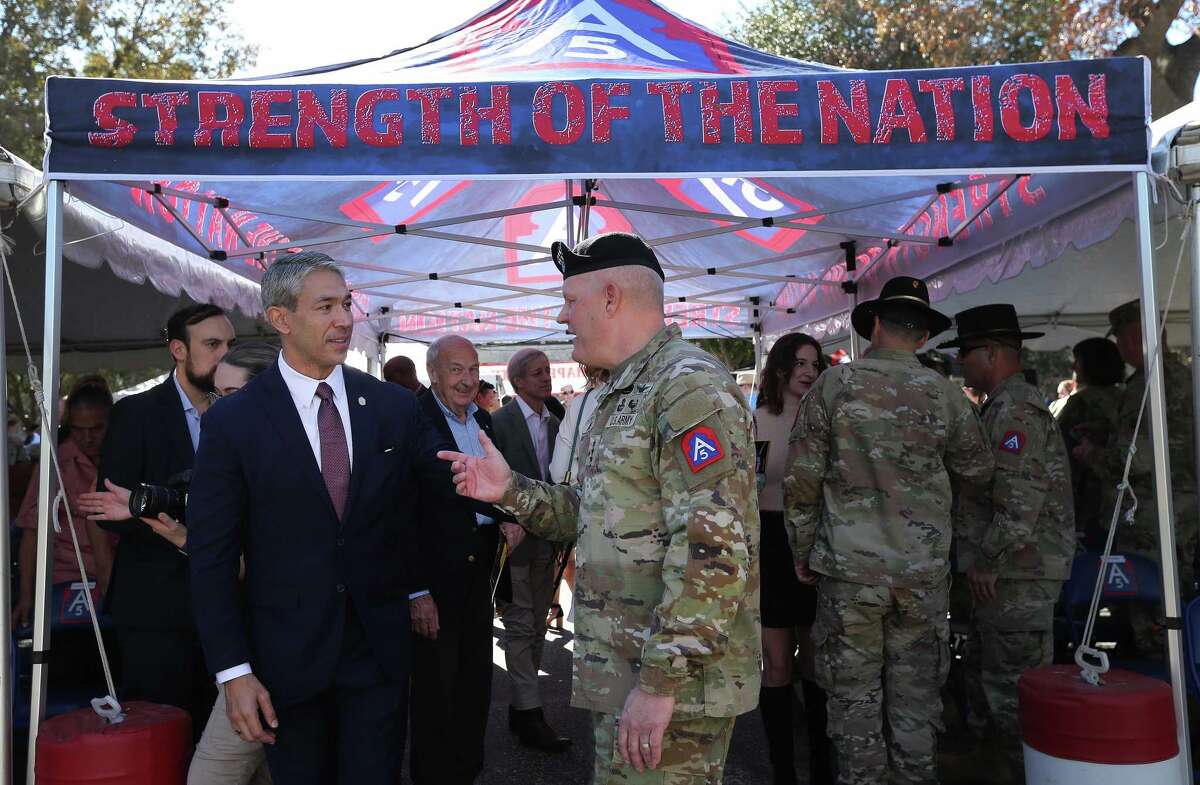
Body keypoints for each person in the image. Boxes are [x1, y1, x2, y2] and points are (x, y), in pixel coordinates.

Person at [440, 231, 760, 784]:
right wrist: (509, 489)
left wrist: (661, 684)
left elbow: (713, 552)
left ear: (611, 298)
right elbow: (589, 513)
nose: (563, 318)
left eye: (570, 301)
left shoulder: (688, 390)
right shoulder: (623, 391)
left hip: (669, 683)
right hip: (626, 669)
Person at [187, 252, 453, 785]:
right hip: (285, 664)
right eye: (326, 306)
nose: (345, 319)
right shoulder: (236, 421)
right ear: (282, 319)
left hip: (376, 657)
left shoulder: (392, 408)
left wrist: (507, 496)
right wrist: (233, 672)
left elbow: (438, 496)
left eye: (347, 303)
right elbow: (211, 554)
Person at [784, 276, 994, 785]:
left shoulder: (834, 386)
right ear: (923, 336)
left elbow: (802, 479)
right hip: (921, 577)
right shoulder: (946, 395)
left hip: (850, 575)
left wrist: (802, 550)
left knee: (854, 702)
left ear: (874, 325)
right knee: (916, 702)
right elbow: (978, 471)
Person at [84, 342, 280, 785]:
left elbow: (251, 568)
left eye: (230, 396)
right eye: (215, 396)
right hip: (256, 654)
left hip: (276, 656)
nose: (214, 410)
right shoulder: (243, 460)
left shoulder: (287, 469)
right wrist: (161, 521)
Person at [938, 304, 1074, 781]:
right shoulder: (1001, 405)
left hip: (1017, 573)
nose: (961, 362)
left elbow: (1019, 501)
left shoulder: (1015, 409)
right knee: (993, 685)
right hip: (1009, 572)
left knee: (1015, 695)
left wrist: (988, 560)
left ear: (992, 353)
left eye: (967, 352)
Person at [94, 302, 235, 734]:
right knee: (162, 736)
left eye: (230, 345)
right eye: (212, 344)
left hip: (230, 604)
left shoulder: (240, 411)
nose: (224, 356)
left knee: (228, 736)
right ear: (178, 349)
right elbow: (111, 510)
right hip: (157, 609)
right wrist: (183, 527)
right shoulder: (135, 413)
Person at [409, 335, 523, 785]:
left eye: (473, 369)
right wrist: (416, 590)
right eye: (456, 369)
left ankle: (466, 771)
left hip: (481, 568)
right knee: (437, 688)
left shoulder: (484, 422)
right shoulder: (412, 421)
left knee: (476, 680)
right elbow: (401, 511)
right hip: (435, 576)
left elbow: (490, 486)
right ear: (433, 373)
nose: (468, 379)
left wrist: (507, 518)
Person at [1074, 299, 1198, 652]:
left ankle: (1167, 693)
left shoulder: (1150, 383)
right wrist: (1105, 432)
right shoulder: (1179, 375)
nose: (1124, 348)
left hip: (1151, 517)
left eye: (1129, 338)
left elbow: (1136, 460)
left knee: (1155, 619)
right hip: (1178, 512)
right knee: (1178, 602)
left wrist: (1091, 454)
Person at [753, 332, 831, 785]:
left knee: (818, 662)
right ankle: (783, 769)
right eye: (800, 363)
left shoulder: (827, 420)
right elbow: (751, 487)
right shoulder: (757, 421)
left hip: (819, 546)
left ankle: (823, 766)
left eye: (815, 365)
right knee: (777, 662)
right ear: (781, 367)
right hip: (772, 544)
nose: (808, 372)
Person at [490, 347, 569, 751]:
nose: (545, 378)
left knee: (537, 622)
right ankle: (530, 713)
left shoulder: (556, 423)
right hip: (516, 540)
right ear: (518, 381)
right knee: (521, 625)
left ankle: (523, 710)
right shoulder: (498, 423)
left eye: (547, 371)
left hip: (548, 539)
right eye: (537, 373)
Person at [13, 383, 116, 628]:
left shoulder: (130, 456)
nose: (88, 438)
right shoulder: (54, 463)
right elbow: (32, 532)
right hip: (66, 577)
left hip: (120, 577)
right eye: (80, 430)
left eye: (97, 429)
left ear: (112, 423)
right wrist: (27, 597)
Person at [1055, 337, 1124, 549]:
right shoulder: (1126, 397)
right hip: (1124, 499)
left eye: (1078, 360)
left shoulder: (1080, 402)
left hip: (1090, 502)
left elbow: (1060, 451)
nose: (1074, 366)